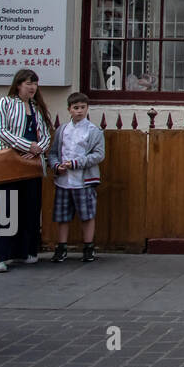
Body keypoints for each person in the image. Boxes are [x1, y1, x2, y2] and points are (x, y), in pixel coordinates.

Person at [0, 68, 53, 273]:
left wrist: (38, 149)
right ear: (18, 85)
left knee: (29, 209)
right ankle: (0, 255)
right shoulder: (4, 103)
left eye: (35, 83)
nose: (32, 87)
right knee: (3, 210)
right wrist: (27, 146)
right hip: (7, 164)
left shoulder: (36, 107)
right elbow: (1, 131)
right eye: (28, 83)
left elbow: (46, 134)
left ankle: (26, 251)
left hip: (31, 165)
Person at [46, 92, 105, 264]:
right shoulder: (62, 130)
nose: (79, 111)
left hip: (83, 180)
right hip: (64, 180)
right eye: (75, 108)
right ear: (69, 109)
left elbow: (98, 155)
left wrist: (76, 163)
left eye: (82, 108)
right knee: (62, 215)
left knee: (87, 215)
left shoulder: (93, 131)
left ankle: (88, 247)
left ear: (87, 108)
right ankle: (61, 247)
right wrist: (57, 166)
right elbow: (54, 153)